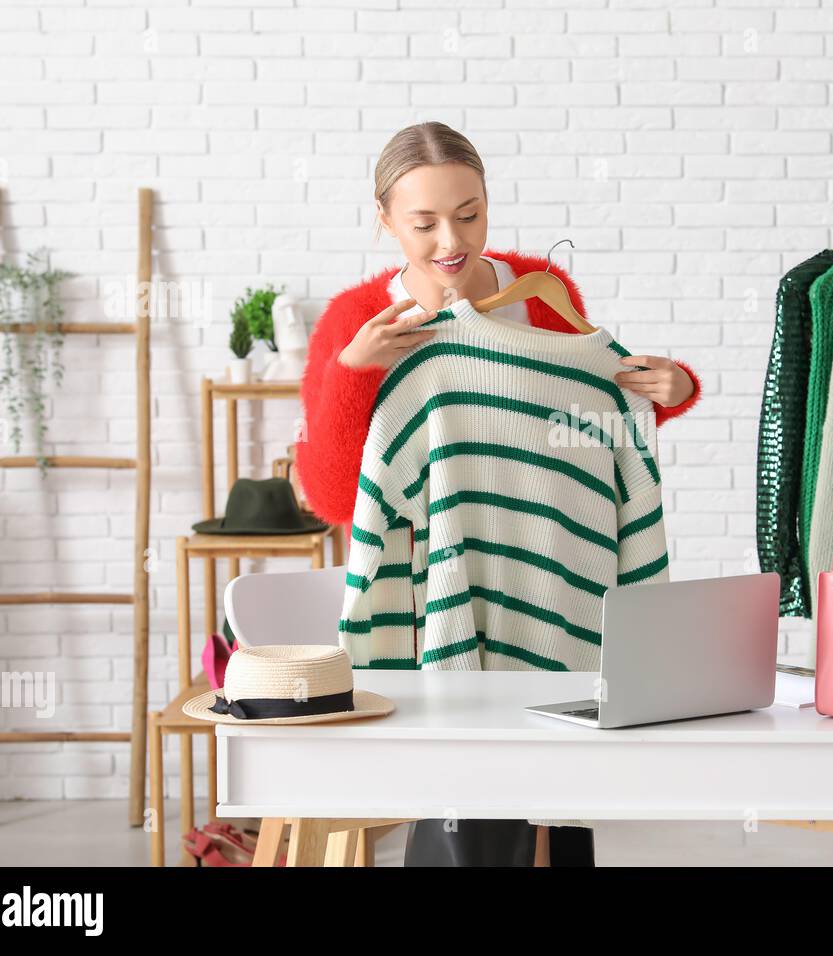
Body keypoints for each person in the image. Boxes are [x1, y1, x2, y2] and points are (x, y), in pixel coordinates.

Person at [294, 121, 702, 866]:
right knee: (471, 813)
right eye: (424, 223)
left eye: (470, 212)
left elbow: (587, 420)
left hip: (558, 584)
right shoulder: (358, 321)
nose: (451, 239)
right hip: (441, 597)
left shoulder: (540, 295)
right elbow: (331, 495)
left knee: (560, 811)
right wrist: (354, 370)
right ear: (385, 219)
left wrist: (667, 392)